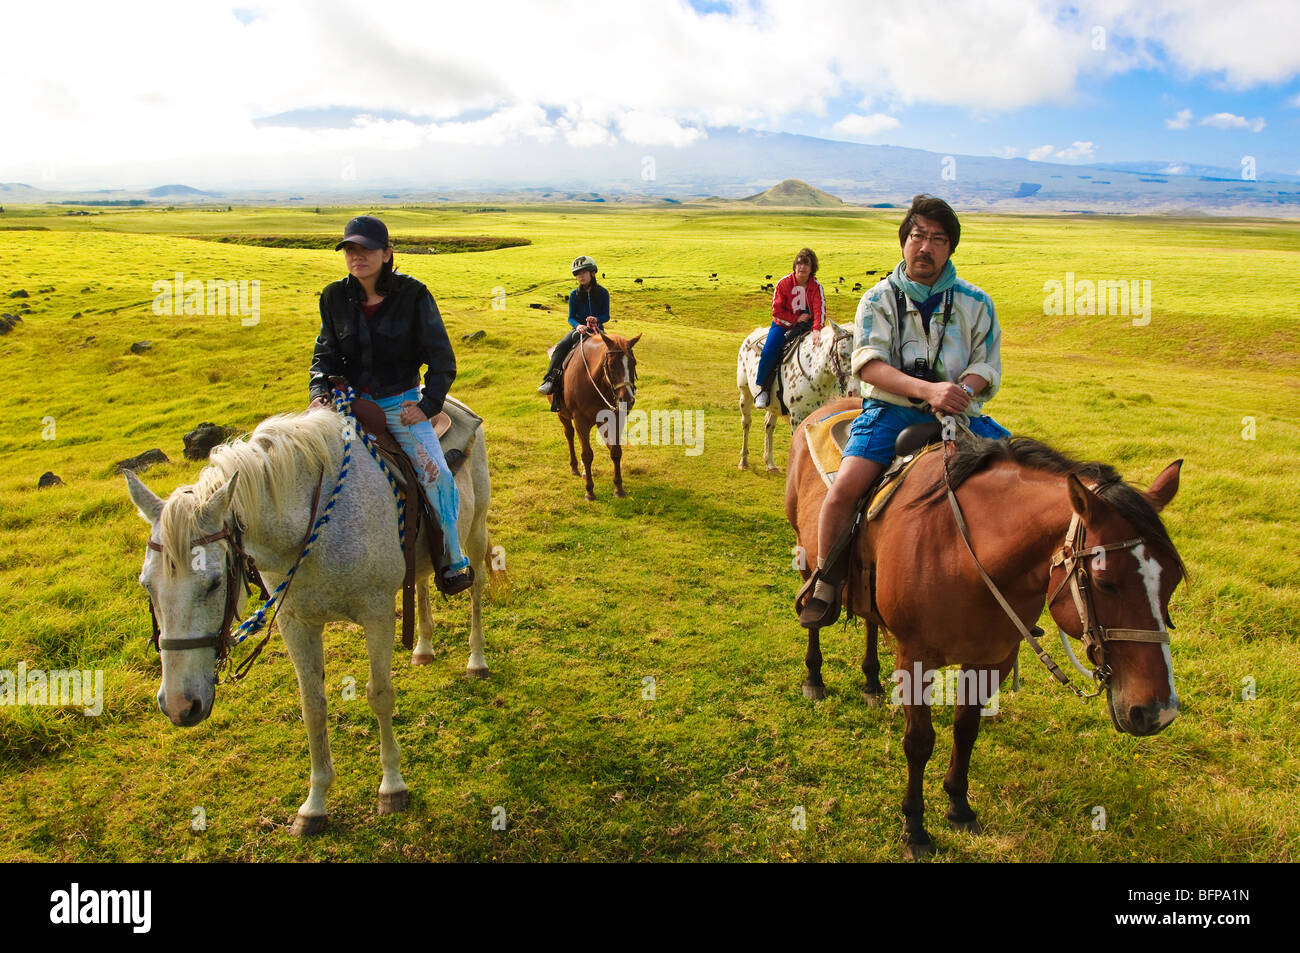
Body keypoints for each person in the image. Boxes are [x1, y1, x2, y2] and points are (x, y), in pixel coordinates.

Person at [798, 195, 1011, 628]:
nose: (925, 247)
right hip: (891, 413)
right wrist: (929, 391)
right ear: (903, 243)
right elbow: (869, 364)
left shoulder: (976, 303)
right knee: (842, 492)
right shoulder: (878, 300)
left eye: (937, 239)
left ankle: (1010, 584)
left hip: (961, 417)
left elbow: (986, 365)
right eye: (917, 236)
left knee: (1017, 478)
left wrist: (960, 392)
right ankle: (826, 581)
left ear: (950, 248)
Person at [308, 215, 473, 595]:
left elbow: (442, 360)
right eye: (350, 249)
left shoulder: (413, 295)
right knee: (301, 465)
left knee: (437, 476)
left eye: (366, 249)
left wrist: (428, 404)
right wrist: (319, 393)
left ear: (386, 253)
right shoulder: (333, 297)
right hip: (346, 406)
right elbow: (324, 355)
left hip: (399, 407)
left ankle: (452, 558)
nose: (357, 256)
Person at [754, 248, 827, 409]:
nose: (802, 267)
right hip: (783, 324)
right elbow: (777, 311)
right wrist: (795, 319)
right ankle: (762, 388)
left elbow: (819, 309)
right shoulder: (783, 283)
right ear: (794, 266)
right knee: (769, 350)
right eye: (799, 264)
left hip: (808, 325)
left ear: (812, 268)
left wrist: (817, 329)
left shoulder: (816, 287)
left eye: (806, 264)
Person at [537, 255, 609, 399]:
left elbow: (606, 316)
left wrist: (597, 319)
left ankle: (624, 385)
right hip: (578, 330)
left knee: (616, 352)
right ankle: (550, 380)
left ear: (592, 272)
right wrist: (578, 326)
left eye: (583, 272)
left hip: (597, 330)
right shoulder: (574, 295)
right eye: (577, 274)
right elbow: (570, 317)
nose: (580, 277)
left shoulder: (603, 293)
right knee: (562, 346)